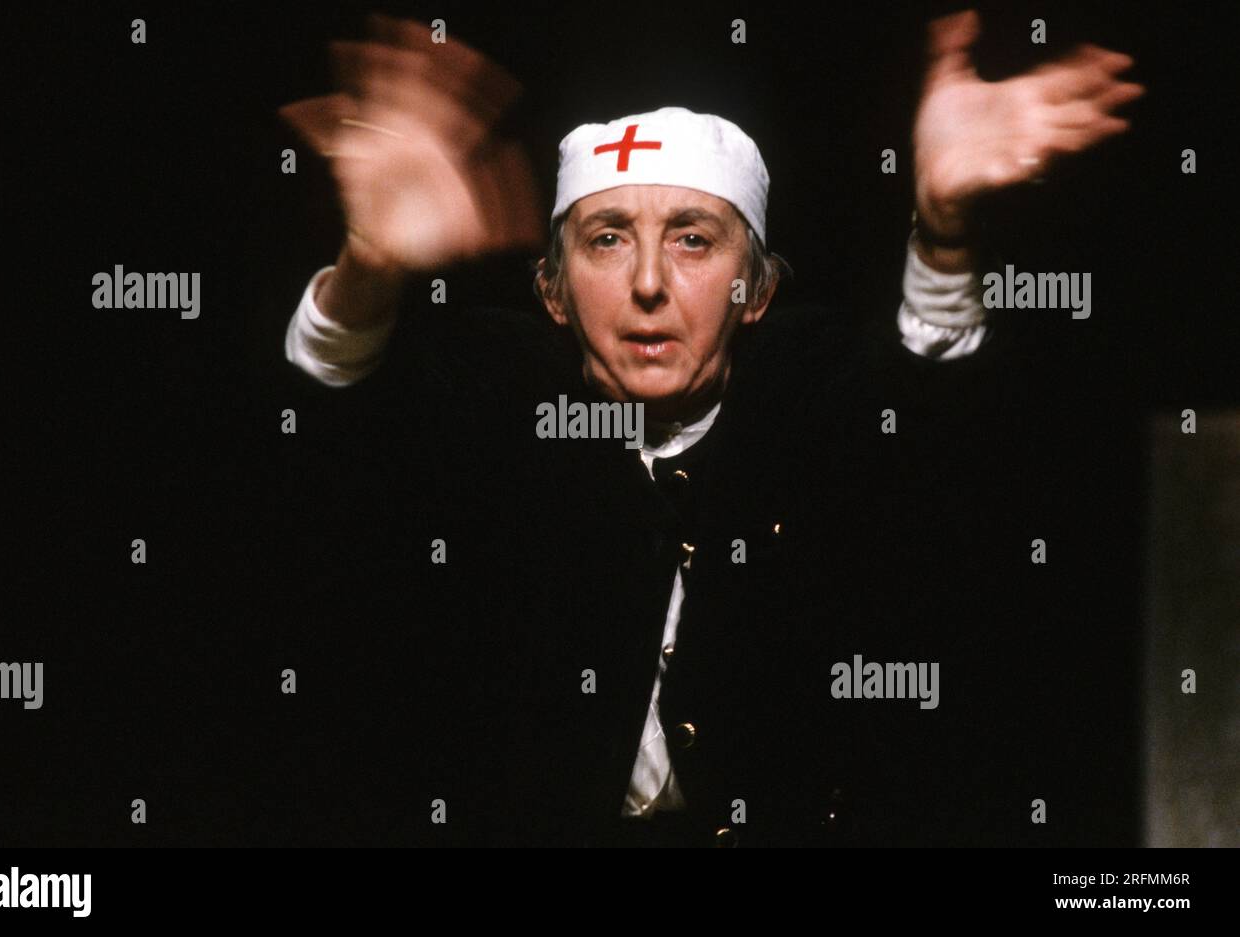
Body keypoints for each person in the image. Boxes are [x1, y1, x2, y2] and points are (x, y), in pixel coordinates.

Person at [276, 11, 1143, 846]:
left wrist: (947, 235)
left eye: (693, 240)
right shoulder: (491, 398)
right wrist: (372, 269)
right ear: (552, 291)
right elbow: (339, 432)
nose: (649, 281)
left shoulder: (821, 393)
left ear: (757, 290)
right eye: (608, 238)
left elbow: (933, 420)